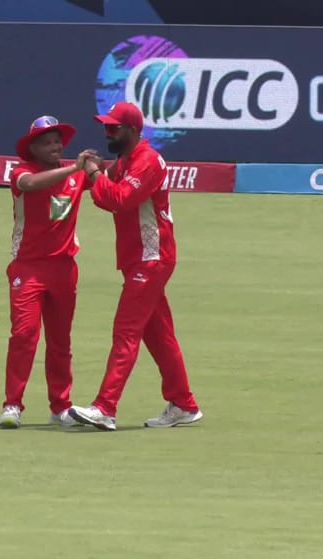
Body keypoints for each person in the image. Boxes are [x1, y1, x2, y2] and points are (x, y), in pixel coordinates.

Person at [69, 102, 203, 431]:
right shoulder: (127, 160)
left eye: (114, 128)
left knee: (126, 331)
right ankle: (184, 404)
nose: (107, 132)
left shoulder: (146, 161)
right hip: (139, 258)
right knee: (159, 335)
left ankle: (105, 407)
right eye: (106, 126)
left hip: (152, 258)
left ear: (132, 131)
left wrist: (96, 173)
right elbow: (104, 194)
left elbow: (117, 200)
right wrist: (88, 170)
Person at [0, 115, 96, 429]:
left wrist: (98, 168)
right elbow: (30, 185)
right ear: (34, 147)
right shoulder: (22, 172)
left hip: (64, 268)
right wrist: (75, 168)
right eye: (46, 142)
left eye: (57, 141)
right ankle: (13, 405)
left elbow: (105, 182)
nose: (54, 146)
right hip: (28, 267)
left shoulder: (76, 174)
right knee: (24, 336)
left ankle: (61, 406)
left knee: (60, 341)